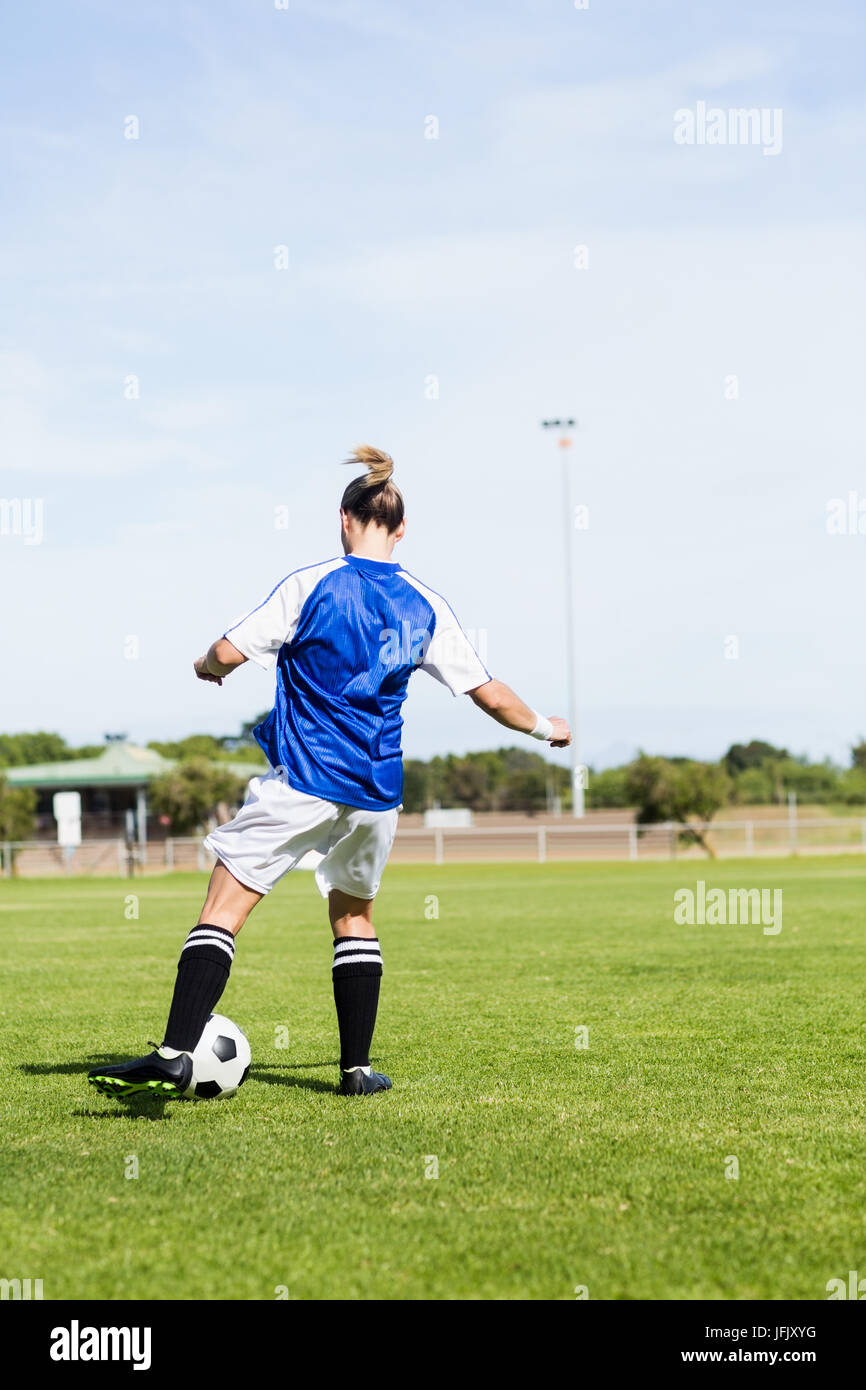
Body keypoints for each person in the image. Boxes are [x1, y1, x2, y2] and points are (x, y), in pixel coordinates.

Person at [88, 446, 571, 1100]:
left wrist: (208, 667)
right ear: (400, 530)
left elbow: (227, 652)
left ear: (345, 518)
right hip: (378, 792)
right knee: (354, 915)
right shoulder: (425, 605)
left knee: (225, 903)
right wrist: (547, 728)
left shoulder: (312, 583)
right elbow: (490, 694)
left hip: (306, 776)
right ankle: (356, 1071)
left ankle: (176, 1050)